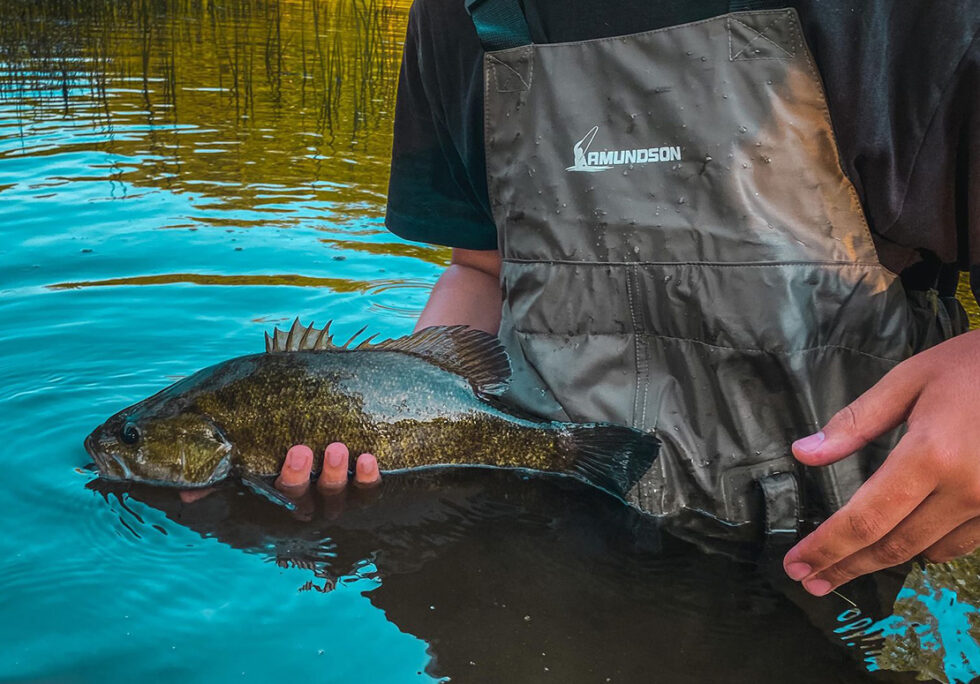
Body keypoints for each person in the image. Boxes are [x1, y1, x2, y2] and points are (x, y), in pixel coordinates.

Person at [187, 0, 980, 599]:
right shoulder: (459, 13)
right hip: (538, 526)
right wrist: (387, 431)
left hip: (822, 546)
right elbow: (481, 269)